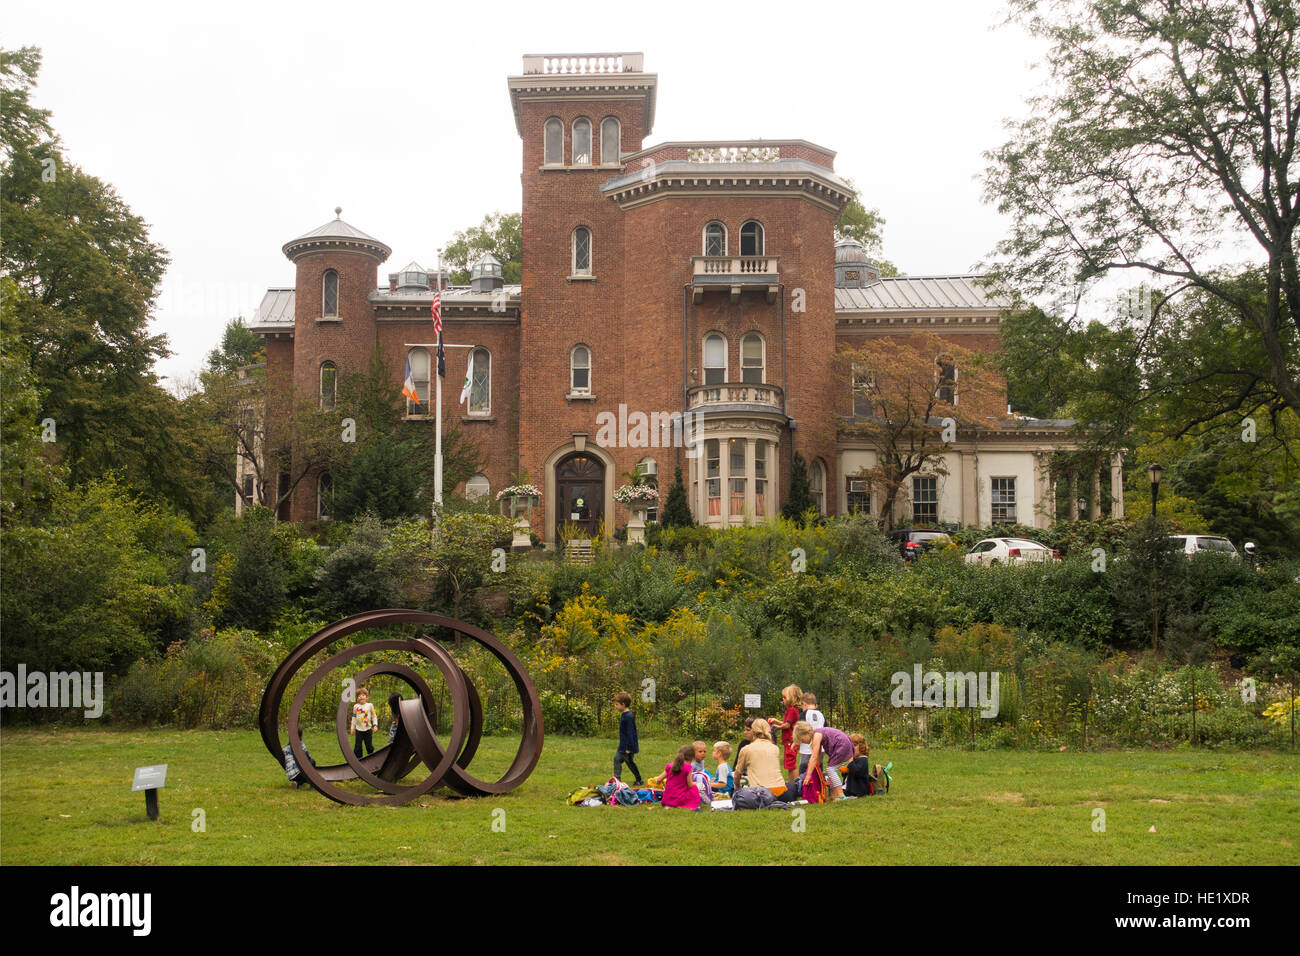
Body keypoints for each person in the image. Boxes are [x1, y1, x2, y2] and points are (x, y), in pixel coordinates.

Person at [732, 719, 798, 802]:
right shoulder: (775, 748)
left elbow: (737, 775)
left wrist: (737, 789)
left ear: (753, 731)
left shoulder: (746, 749)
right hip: (781, 792)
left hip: (759, 794)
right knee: (791, 785)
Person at [795, 720, 855, 801]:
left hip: (841, 745)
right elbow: (818, 757)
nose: (803, 743)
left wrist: (808, 775)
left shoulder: (816, 735)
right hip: (842, 743)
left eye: (802, 740)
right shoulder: (817, 734)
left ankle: (841, 795)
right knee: (831, 770)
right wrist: (817, 769)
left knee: (830, 770)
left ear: (806, 733)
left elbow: (814, 757)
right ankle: (834, 795)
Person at [769, 684, 803, 778]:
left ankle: (794, 783)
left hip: (791, 741)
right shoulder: (791, 710)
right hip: (790, 741)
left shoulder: (791, 710)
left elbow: (787, 726)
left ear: (791, 698)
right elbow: (787, 723)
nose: (783, 699)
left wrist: (777, 727)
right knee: (789, 765)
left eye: (784, 697)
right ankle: (792, 783)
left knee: (791, 765)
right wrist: (776, 721)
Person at [613, 691, 644, 785]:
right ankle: (617, 780)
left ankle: (639, 780)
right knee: (617, 759)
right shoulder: (624, 715)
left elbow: (631, 733)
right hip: (623, 746)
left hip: (627, 747)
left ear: (623, 704)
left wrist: (629, 748)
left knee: (630, 763)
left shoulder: (628, 717)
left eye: (617, 704)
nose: (616, 706)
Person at [661, 744, 703, 810]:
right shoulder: (688, 767)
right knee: (695, 788)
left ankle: (669, 805)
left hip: (666, 800)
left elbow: (659, 779)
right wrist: (697, 784)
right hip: (679, 799)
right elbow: (690, 785)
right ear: (692, 758)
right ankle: (688, 804)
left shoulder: (670, 765)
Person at [797, 692, 825, 779]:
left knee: (804, 767)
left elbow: (799, 729)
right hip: (820, 747)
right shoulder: (821, 714)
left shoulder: (803, 715)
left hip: (807, 748)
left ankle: (802, 786)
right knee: (818, 767)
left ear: (804, 704)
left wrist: (796, 741)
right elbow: (826, 729)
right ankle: (820, 785)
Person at [843, 733, 877, 797]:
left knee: (836, 792)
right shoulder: (855, 759)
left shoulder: (863, 760)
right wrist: (845, 772)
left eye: (854, 746)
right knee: (834, 789)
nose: (851, 748)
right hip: (849, 788)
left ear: (861, 747)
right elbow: (850, 773)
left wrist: (850, 762)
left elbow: (856, 772)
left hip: (858, 790)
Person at [349, 686, 378, 758]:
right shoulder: (356, 707)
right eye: (359, 696)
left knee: (369, 746)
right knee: (357, 747)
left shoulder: (370, 705)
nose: (361, 697)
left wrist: (375, 725)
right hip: (359, 730)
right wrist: (352, 728)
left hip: (368, 730)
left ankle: (371, 758)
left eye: (363, 695)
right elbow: (354, 718)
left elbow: (374, 716)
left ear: (367, 697)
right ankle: (359, 759)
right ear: (357, 698)